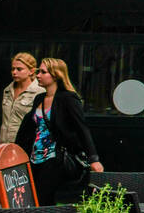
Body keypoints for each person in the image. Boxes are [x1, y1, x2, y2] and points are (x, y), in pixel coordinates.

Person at [15, 57, 103, 205]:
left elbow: (82, 129)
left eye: (43, 72)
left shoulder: (68, 99)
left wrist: (93, 158)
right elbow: (30, 128)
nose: (38, 75)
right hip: (34, 159)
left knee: (45, 199)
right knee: (34, 198)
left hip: (54, 158)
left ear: (55, 75)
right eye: (38, 72)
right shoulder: (39, 99)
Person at [0, 53, 45, 146]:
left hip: (26, 145)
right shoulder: (7, 90)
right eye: (13, 69)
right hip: (4, 144)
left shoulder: (39, 92)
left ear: (31, 71)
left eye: (19, 69)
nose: (14, 72)